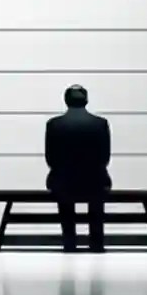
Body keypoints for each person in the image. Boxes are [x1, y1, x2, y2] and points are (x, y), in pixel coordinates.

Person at [45, 85, 111, 252]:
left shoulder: (54, 124)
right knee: (97, 195)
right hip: (95, 182)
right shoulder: (100, 123)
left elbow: (51, 158)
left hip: (63, 182)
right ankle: (96, 243)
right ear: (86, 100)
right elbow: (105, 157)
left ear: (66, 101)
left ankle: (69, 241)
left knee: (64, 194)